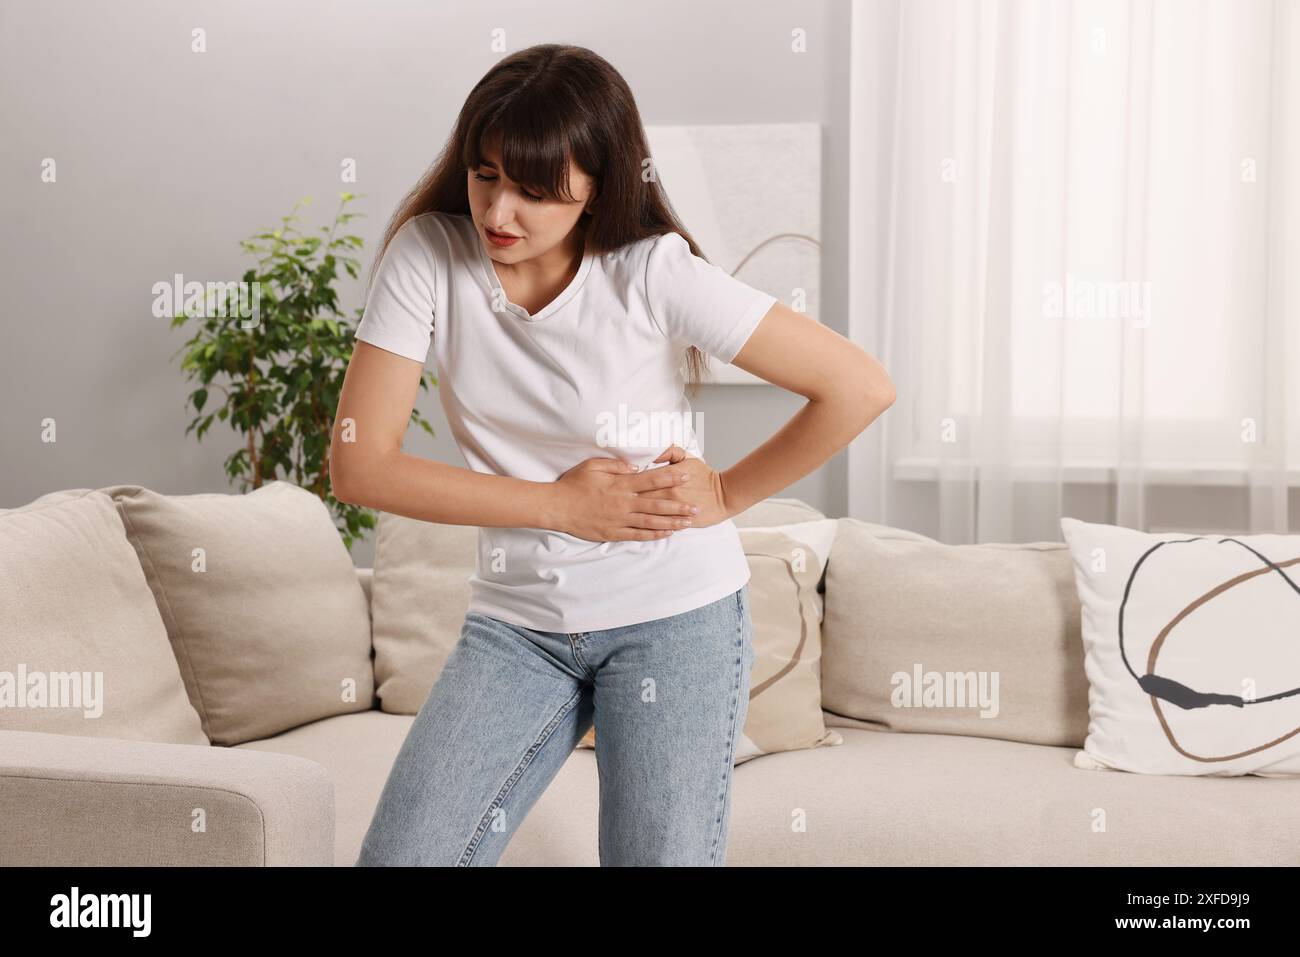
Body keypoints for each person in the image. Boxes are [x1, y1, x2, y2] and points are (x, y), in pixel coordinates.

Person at [332, 43, 895, 866]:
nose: (499, 212)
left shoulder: (651, 273)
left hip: (675, 621)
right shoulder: (429, 255)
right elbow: (360, 466)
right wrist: (559, 505)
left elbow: (859, 385)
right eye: (486, 175)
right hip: (517, 625)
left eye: (535, 191)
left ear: (596, 185)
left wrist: (727, 496)